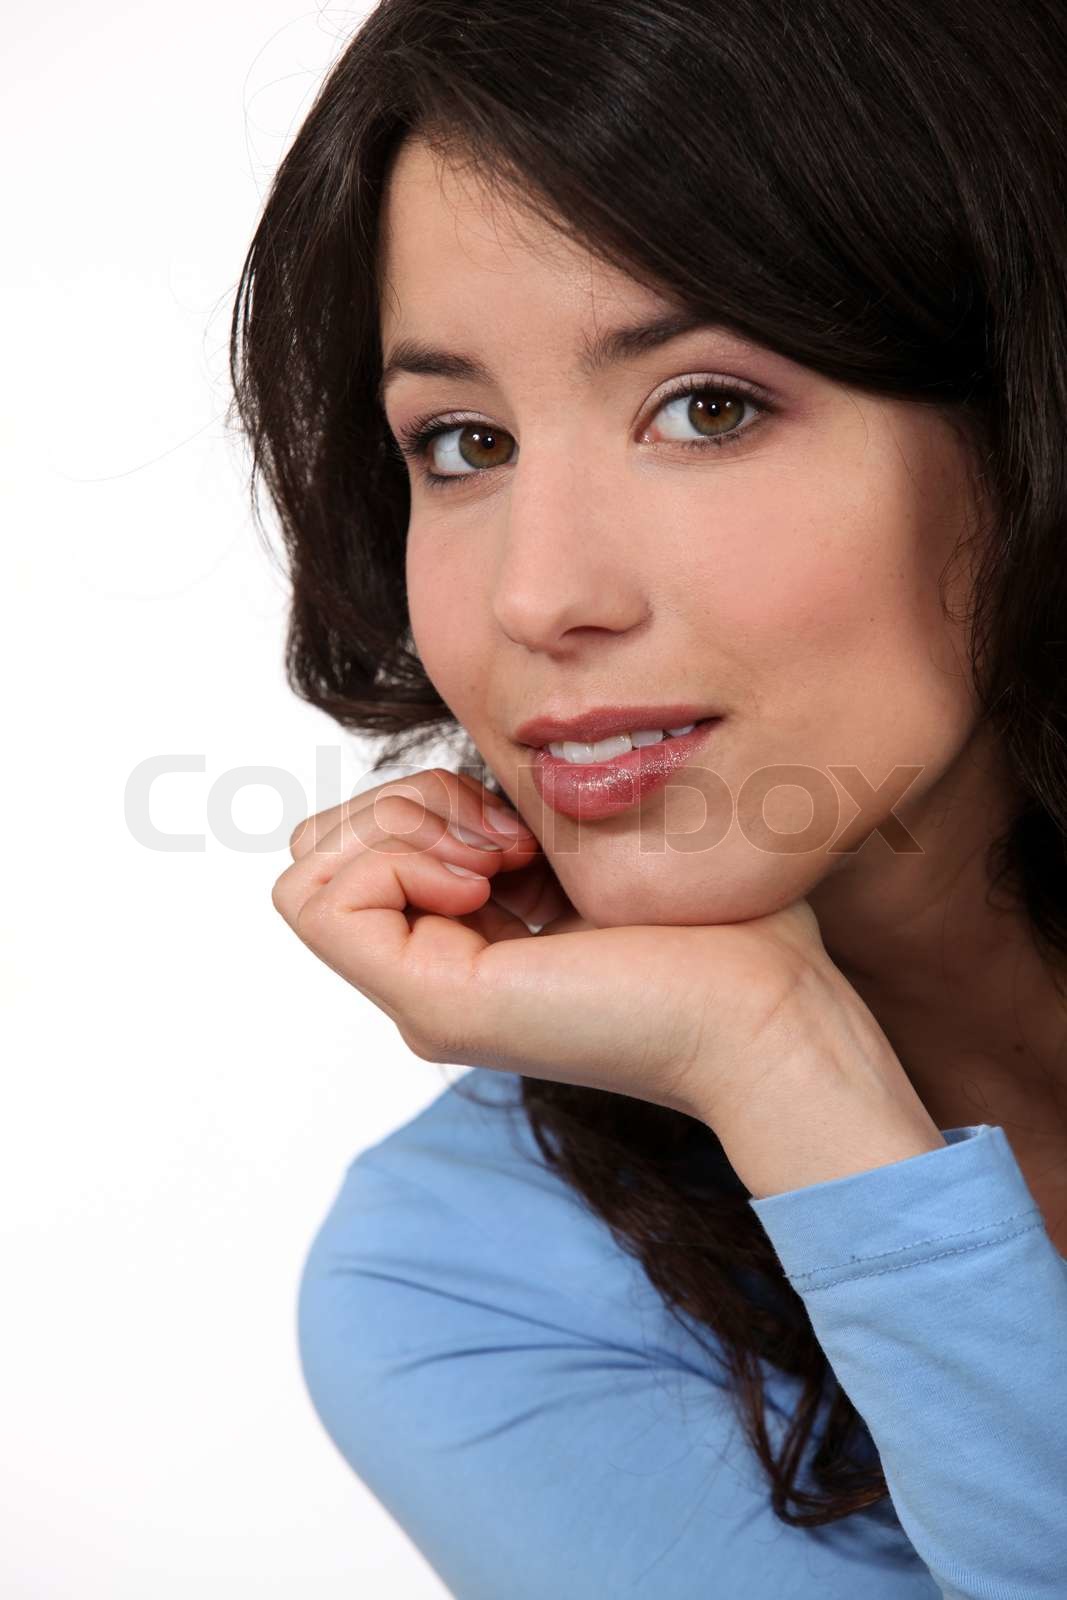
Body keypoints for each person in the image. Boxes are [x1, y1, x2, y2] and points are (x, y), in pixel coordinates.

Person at [229, 0, 1067, 1593]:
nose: (539, 596)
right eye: (463, 443)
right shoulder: (464, 1286)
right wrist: (781, 1063)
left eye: (708, 407)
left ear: (1022, 424)